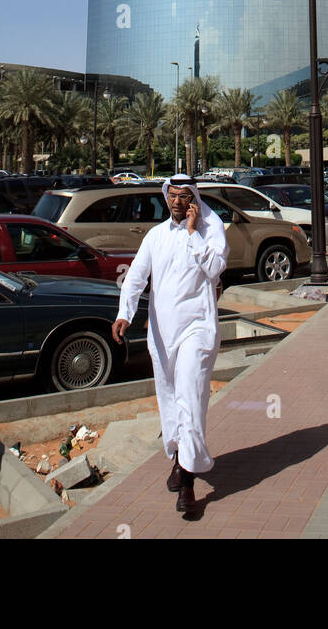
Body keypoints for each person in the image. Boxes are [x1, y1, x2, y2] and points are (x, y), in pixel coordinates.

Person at [112, 174, 228, 513]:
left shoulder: (210, 230)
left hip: (197, 330)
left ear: (194, 200)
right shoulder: (156, 235)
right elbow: (135, 277)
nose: (177, 201)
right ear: (166, 198)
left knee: (190, 398)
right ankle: (180, 457)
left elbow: (215, 268)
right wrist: (124, 314)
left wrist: (193, 233)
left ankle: (188, 484)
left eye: (184, 196)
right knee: (170, 400)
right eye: (172, 195)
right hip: (163, 335)